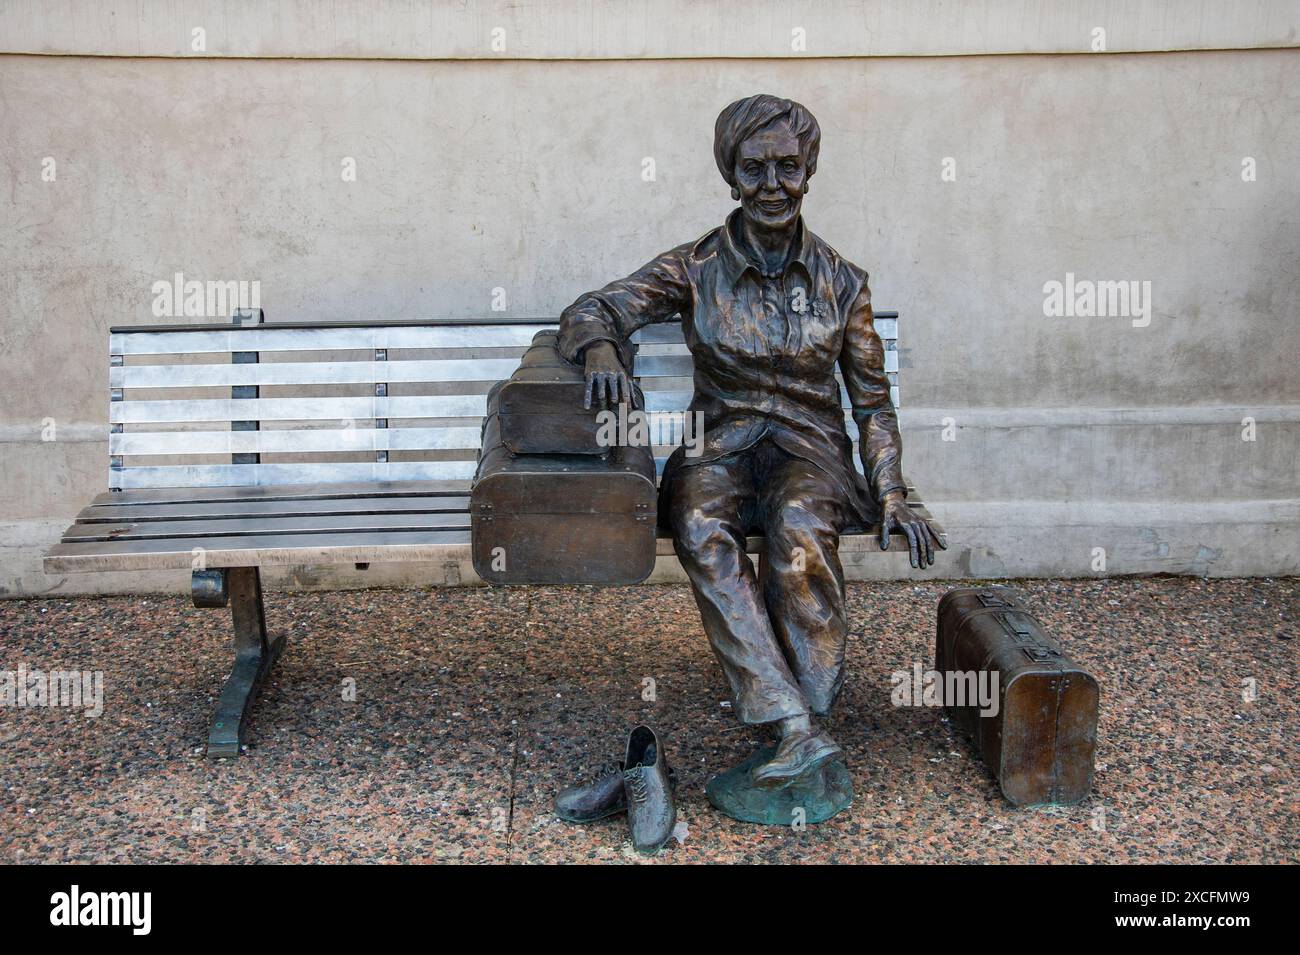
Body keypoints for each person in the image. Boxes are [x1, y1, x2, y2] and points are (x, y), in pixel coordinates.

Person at [557, 94, 944, 786]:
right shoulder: (696, 266)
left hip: (811, 452)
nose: (772, 186)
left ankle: (806, 713)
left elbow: (872, 401)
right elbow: (596, 307)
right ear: (731, 175)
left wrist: (893, 488)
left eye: (787, 167)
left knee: (799, 523)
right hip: (720, 445)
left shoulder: (842, 282)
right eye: (754, 168)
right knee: (700, 517)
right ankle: (795, 724)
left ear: (810, 170)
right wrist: (601, 353)